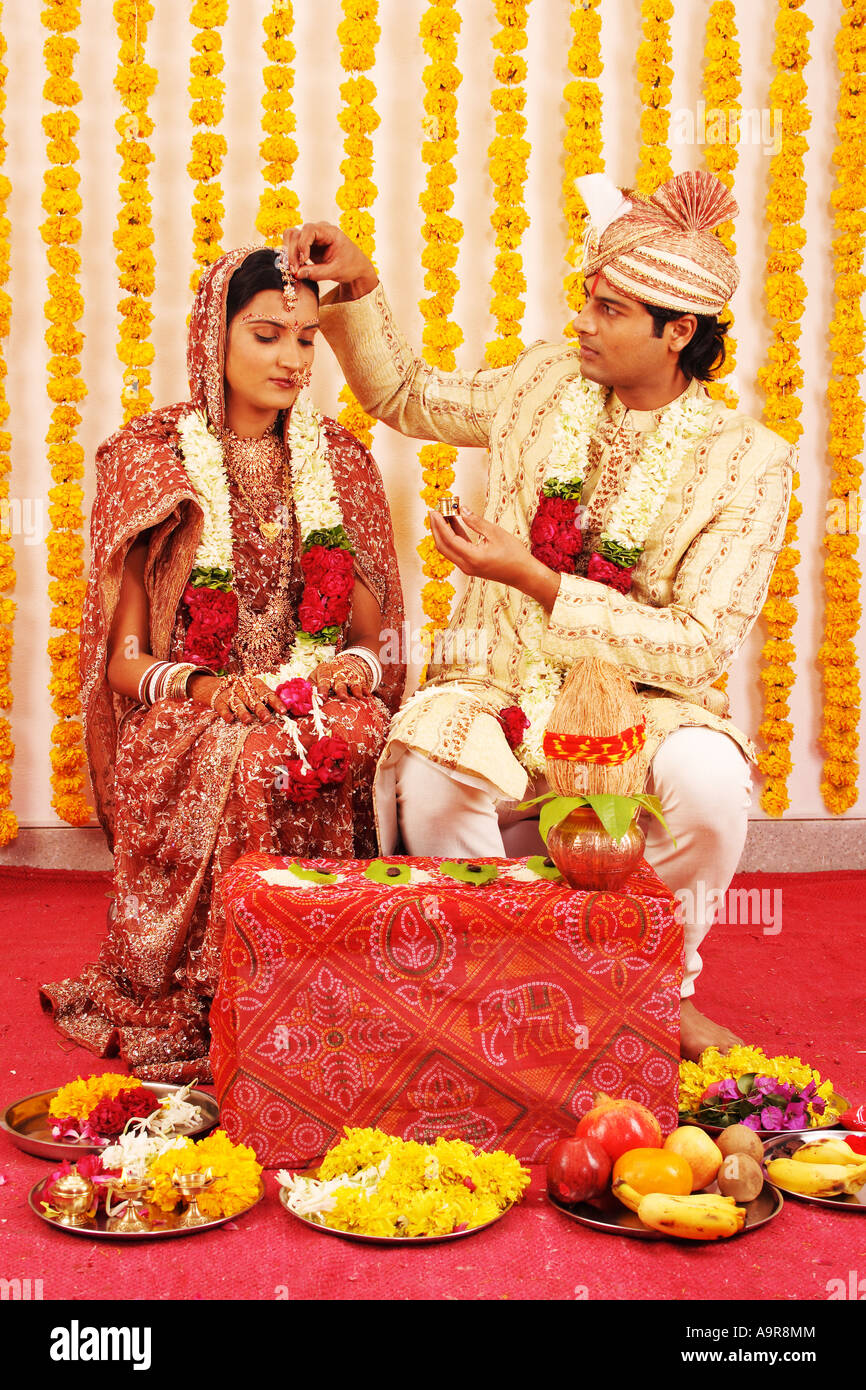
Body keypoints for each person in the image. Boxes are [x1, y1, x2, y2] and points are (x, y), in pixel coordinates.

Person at [281, 171, 794, 1062]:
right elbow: (408, 397)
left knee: (709, 790)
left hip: (639, 700)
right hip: (498, 674)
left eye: (610, 310)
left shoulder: (746, 462)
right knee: (435, 786)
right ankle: (512, 987)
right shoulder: (545, 383)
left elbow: (703, 645)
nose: (584, 324)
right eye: (586, 300)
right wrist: (358, 287)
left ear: (679, 333)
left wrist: (540, 580)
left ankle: (651, 983)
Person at [41, 245, 405, 1082]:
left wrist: (351, 665)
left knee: (346, 731)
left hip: (308, 697)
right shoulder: (153, 459)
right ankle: (230, 989)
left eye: (308, 340)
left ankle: (322, 979)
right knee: (255, 755)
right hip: (193, 706)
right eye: (269, 334)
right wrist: (207, 685)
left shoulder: (338, 460)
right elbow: (126, 663)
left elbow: (374, 638)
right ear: (215, 335)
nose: (292, 359)